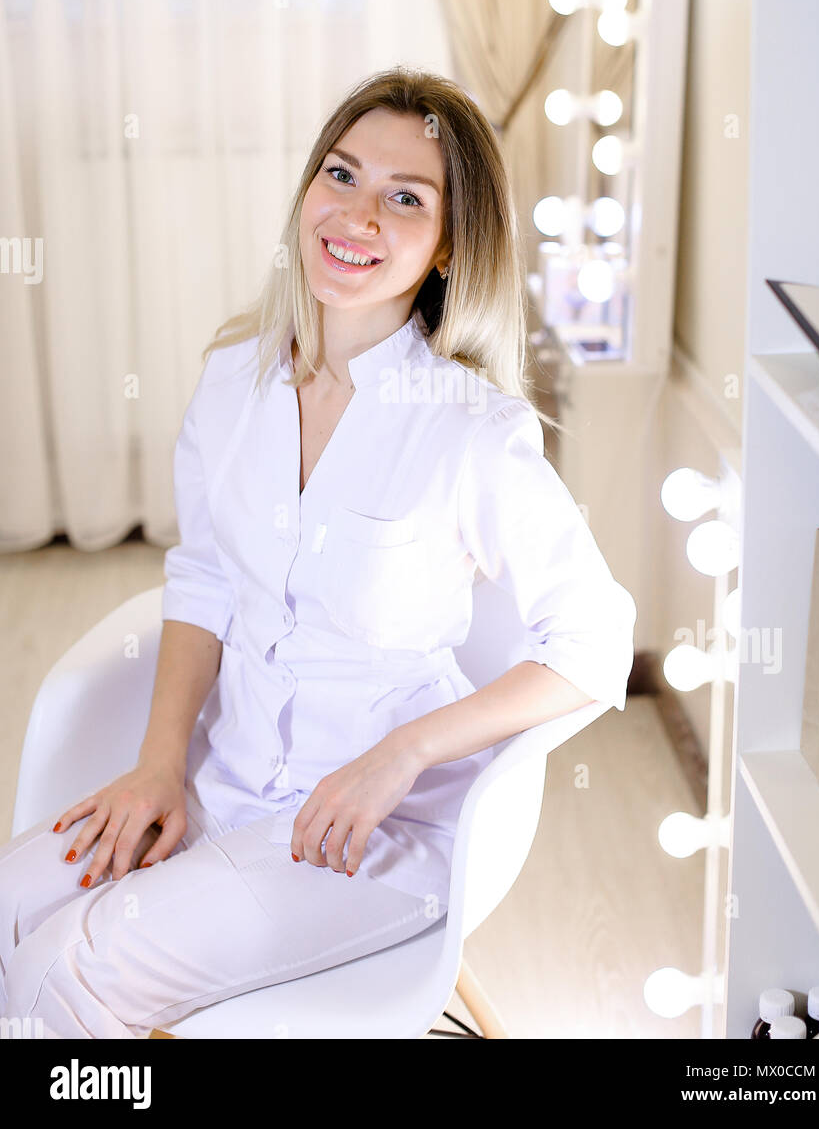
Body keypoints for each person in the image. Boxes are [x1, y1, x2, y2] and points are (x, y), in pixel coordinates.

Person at [0, 66, 637, 1039]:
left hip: (368, 840)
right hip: (221, 787)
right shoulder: (232, 381)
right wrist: (158, 763)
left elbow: (593, 642)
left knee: (69, 972)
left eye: (405, 198)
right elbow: (205, 577)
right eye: (340, 175)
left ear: (447, 246)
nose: (357, 215)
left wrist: (403, 753)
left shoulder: (471, 432)